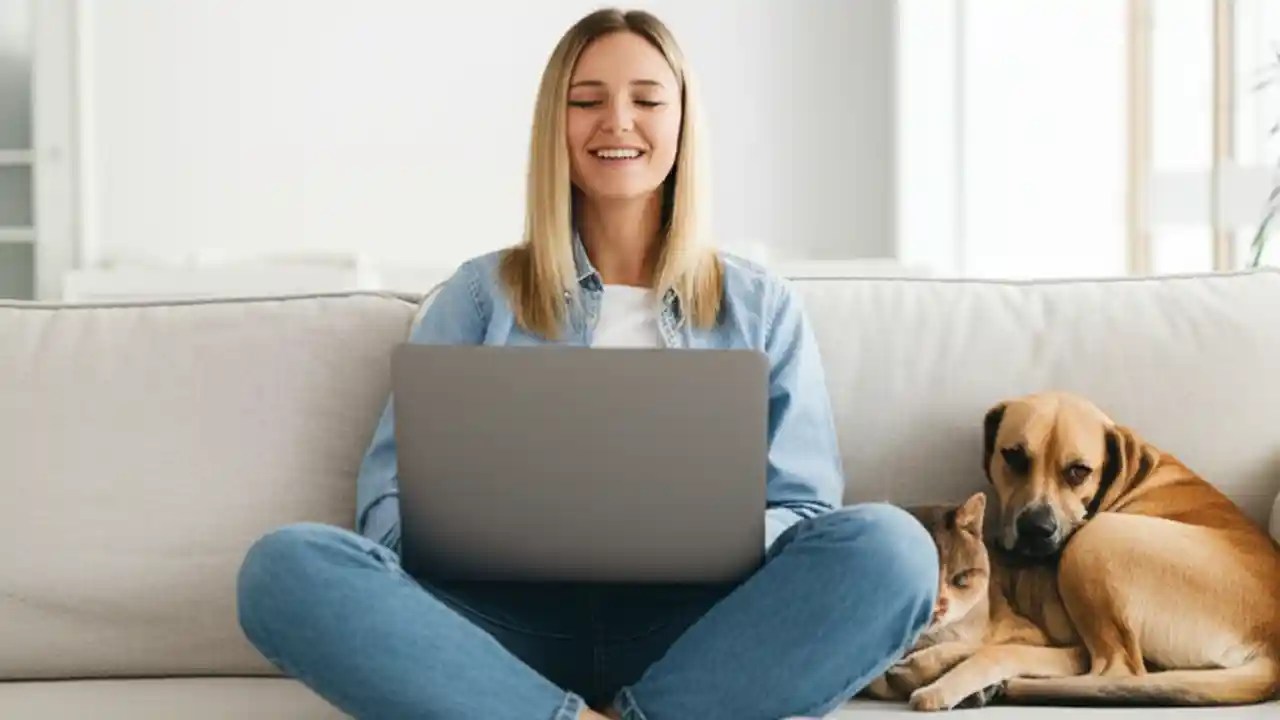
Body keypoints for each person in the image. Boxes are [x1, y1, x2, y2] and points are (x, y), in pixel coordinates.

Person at [236, 8, 938, 720]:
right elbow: (386, 508)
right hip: (501, 631)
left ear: (682, 121)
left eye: (646, 98)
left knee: (895, 550)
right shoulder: (481, 296)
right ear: (555, 126)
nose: (618, 121)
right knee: (284, 567)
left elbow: (809, 509)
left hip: (697, 632)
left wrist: (696, 536)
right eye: (587, 101)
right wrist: (479, 537)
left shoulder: (761, 308)